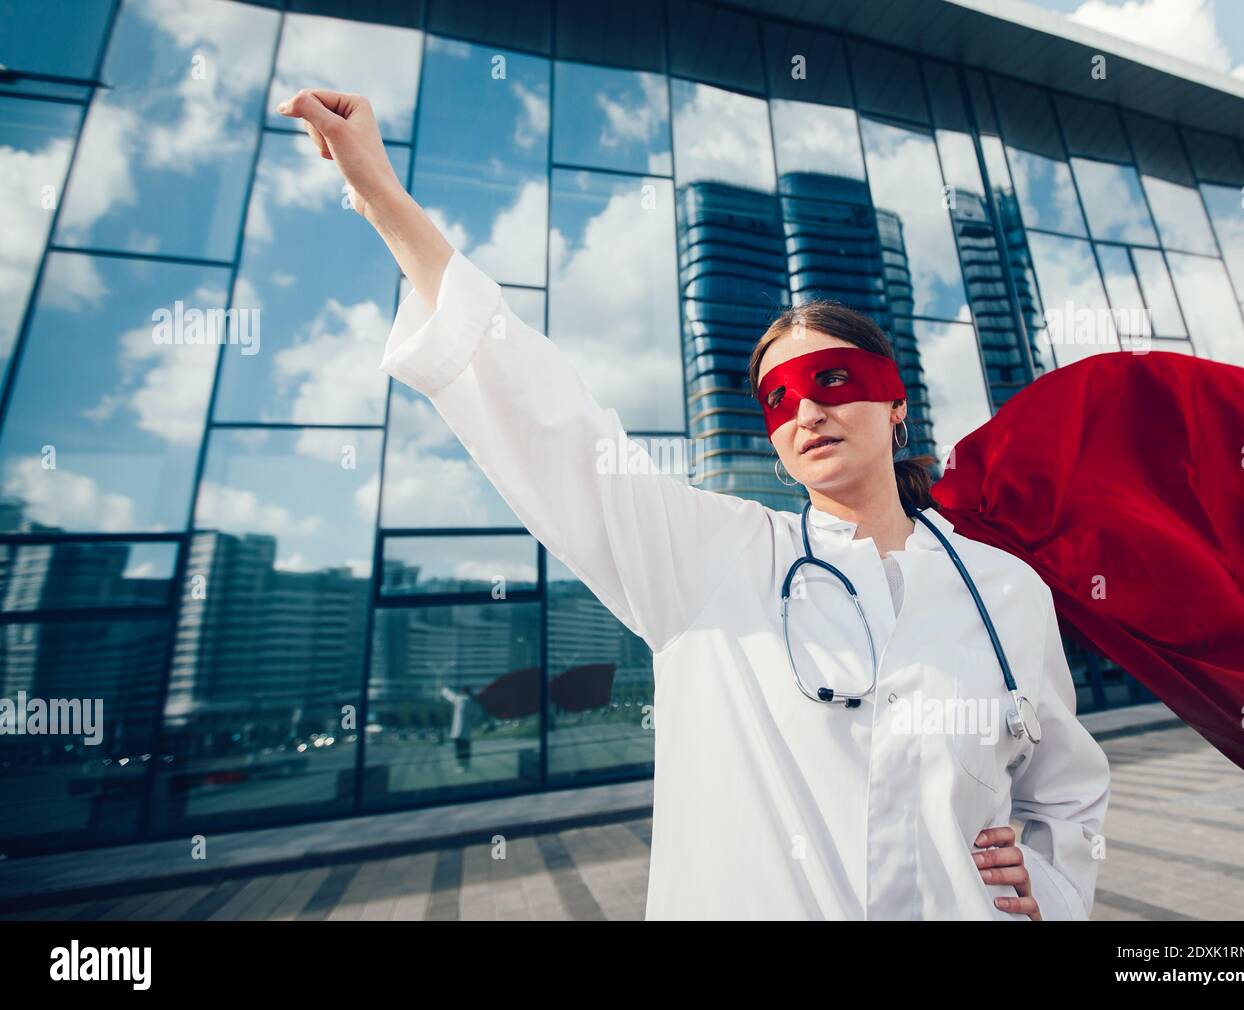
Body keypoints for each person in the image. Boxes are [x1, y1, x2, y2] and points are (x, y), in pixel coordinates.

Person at [277, 87, 1110, 921]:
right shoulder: (713, 557)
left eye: (834, 382)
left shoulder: (1005, 590)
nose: (808, 411)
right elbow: (551, 423)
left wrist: (1050, 878)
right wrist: (383, 197)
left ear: (898, 405)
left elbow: (1064, 791)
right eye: (778, 400)